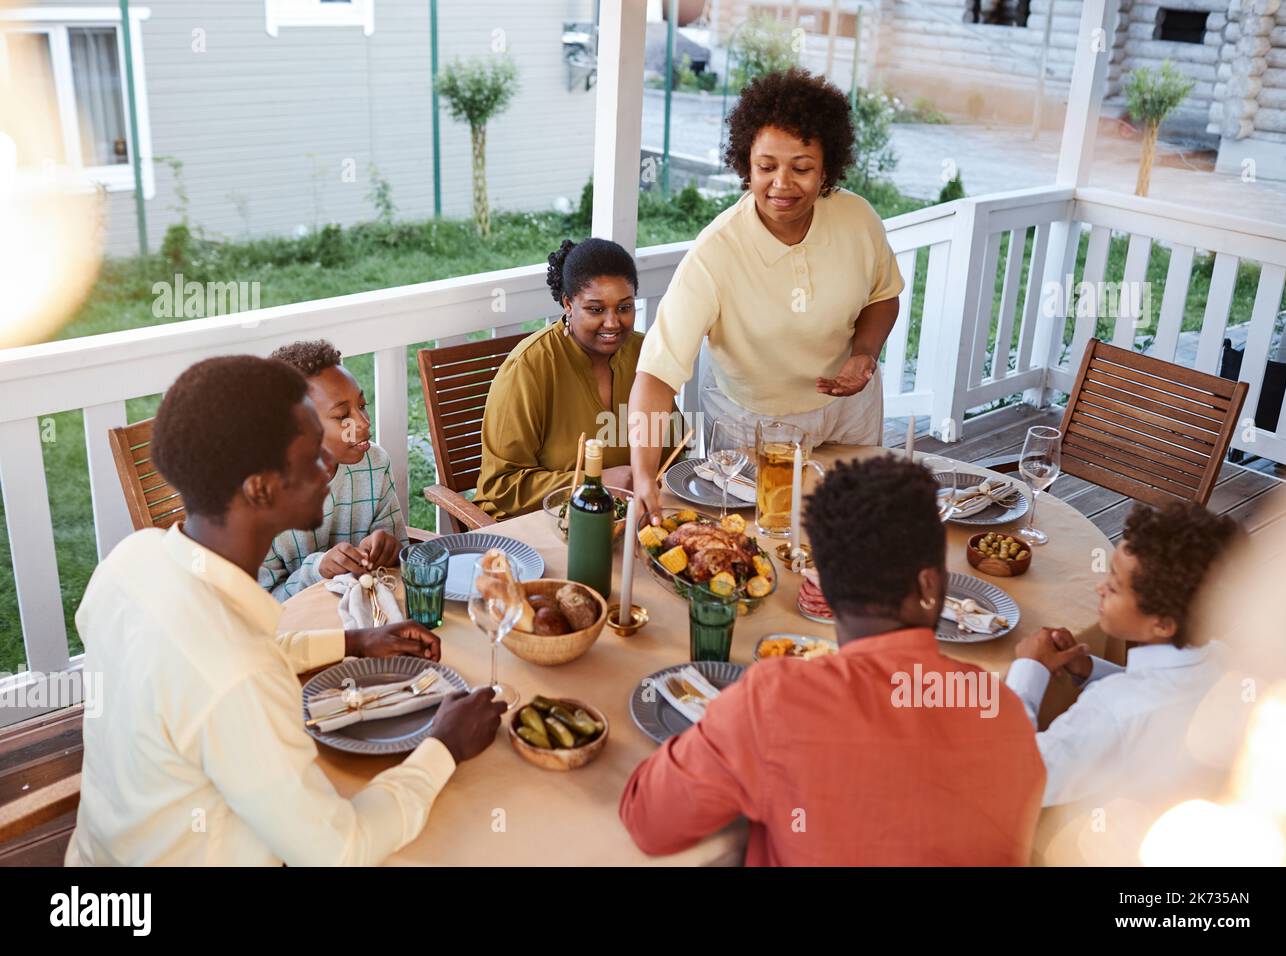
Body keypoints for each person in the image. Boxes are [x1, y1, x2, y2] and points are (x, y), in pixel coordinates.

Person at [67, 355, 506, 866]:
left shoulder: (131, 561)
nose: (328, 465)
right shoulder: (237, 676)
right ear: (261, 487)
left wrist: (351, 642)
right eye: (310, 455)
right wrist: (444, 745)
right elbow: (340, 849)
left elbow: (214, 657)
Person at [619, 457, 1045, 865]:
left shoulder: (776, 700)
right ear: (930, 585)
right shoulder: (1004, 711)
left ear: (822, 581)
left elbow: (647, 820)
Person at [630, 68, 905, 521]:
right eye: (766, 167)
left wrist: (865, 352)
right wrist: (644, 474)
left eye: (801, 168)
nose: (781, 184)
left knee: (852, 527)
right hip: (749, 423)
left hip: (851, 409)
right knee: (755, 538)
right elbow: (656, 376)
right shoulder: (715, 253)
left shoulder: (858, 219)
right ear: (745, 163)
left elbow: (883, 295)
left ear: (827, 169)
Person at [1006, 502, 1240, 811]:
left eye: (1114, 587)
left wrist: (1029, 670)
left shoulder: (1113, 709)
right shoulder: (1225, 660)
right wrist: (1091, 670)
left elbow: (1015, 775)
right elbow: (1156, 694)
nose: (1099, 587)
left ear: (1163, 623)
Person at [475, 237, 680, 518]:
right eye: (596, 309)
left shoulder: (645, 354)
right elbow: (501, 487)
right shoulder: (529, 367)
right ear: (568, 304)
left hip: (636, 522)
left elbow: (676, 451)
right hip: (544, 528)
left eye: (624, 307)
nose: (612, 323)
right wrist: (595, 482)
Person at [258, 339, 406, 601]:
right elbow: (259, 605)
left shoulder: (374, 463)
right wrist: (318, 570)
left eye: (362, 405)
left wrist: (390, 550)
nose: (362, 423)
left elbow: (398, 562)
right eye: (342, 416)